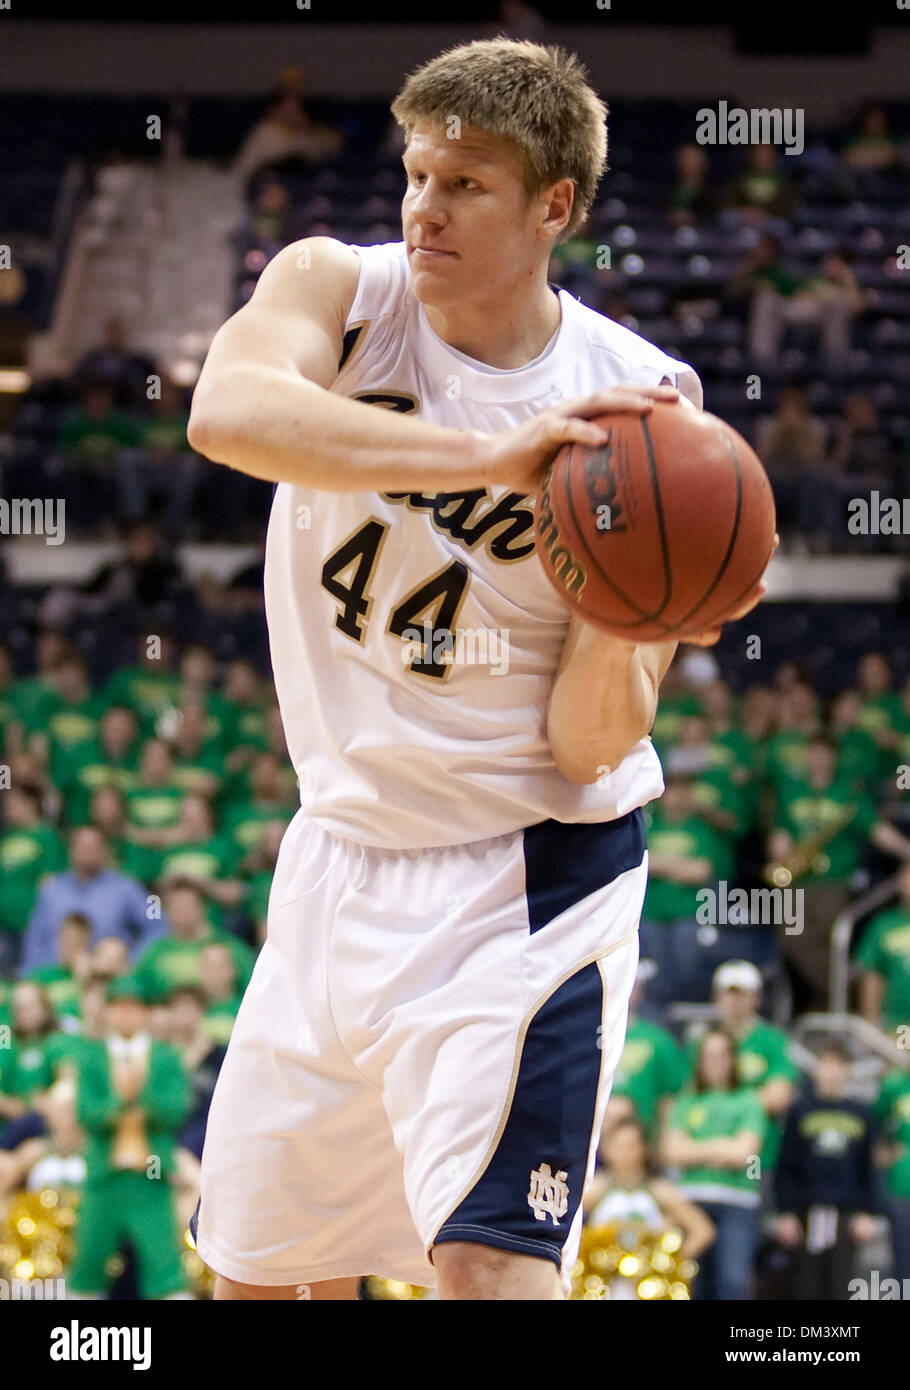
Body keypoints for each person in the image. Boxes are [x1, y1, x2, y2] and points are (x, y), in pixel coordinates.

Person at [187, 38, 769, 1302]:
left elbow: (586, 747)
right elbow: (226, 416)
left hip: (525, 871)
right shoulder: (338, 291)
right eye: (416, 173)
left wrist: (641, 614)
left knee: (486, 1272)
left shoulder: (636, 410)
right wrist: (491, 460)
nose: (423, 208)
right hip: (338, 856)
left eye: (466, 185)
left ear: (555, 204)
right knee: (259, 1281)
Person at [66, 974, 191, 1300]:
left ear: (146, 1013)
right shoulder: (91, 1056)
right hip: (104, 1176)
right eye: (118, 1007)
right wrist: (119, 1098)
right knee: (87, 1266)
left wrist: (141, 1097)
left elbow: (175, 1112)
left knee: (166, 1270)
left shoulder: (165, 1057)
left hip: (150, 1176)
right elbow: (86, 1114)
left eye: (134, 1007)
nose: (125, 1014)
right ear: (107, 1012)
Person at [660, 1027, 766, 1301]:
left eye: (721, 1055)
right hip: (688, 1204)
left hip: (737, 1203)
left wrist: (695, 1148)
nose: (714, 1061)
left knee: (733, 1283)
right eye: (707, 1055)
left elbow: (745, 1154)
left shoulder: (748, 1100)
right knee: (687, 1281)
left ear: (732, 1059)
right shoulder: (686, 1101)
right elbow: (672, 1152)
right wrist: (723, 1146)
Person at [775, 1040, 880, 1300]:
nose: (832, 1072)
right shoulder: (800, 1110)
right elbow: (787, 1164)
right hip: (806, 1213)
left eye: (838, 1065)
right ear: (817, 1069)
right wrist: (786, 1212)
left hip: (846, 1215)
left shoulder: (861, 1113)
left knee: (841, 1285)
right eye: (826, 1064)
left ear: (847, 1071)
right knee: (804, 1286)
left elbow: (868, 1167)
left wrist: (868, 1212)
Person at [583, 1116, 714, 1299]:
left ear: (644, 1148)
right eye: (618, 1146)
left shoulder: (659, 1190)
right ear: (605, 1149)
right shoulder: (596, 1189)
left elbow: (703, 1230)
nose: (624, 1153)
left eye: (631, 1146)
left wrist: (670, 1260)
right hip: (603, 1285)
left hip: (648, 1287)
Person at [20, 827, 164, 974]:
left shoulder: (127, 886)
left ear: (105, 851)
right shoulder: (52, 889)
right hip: (55, 975)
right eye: (82, 847)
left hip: (107, 976)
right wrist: (29, 973)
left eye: (93, 847)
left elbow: (157, 922)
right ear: (71, 851)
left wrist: (133, 960)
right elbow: (34, 937)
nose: (87, 853)